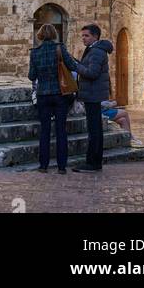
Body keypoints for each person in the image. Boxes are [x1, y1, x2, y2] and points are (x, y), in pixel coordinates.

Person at [28, 22, 78, 174]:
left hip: (43, 95)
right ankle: (61, 167)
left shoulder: (35, 52)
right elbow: (72, 66)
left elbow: (31, 76)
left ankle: (43, 166)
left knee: (45, 131)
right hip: (60, 94)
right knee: (61, 130)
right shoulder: (60, 48)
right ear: (54, 34)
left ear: (40, 35)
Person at [70, 23, 114, 173]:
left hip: (93, 95)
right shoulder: (95, 50)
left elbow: (92, 73)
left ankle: (93, 163)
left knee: (94, 130)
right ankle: (94, 162)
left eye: (86, 36)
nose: (83, 38)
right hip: (93, 94)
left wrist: (76, 66)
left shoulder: (96, 51)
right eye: (82, 36)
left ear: (95, 36)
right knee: (95, 129)